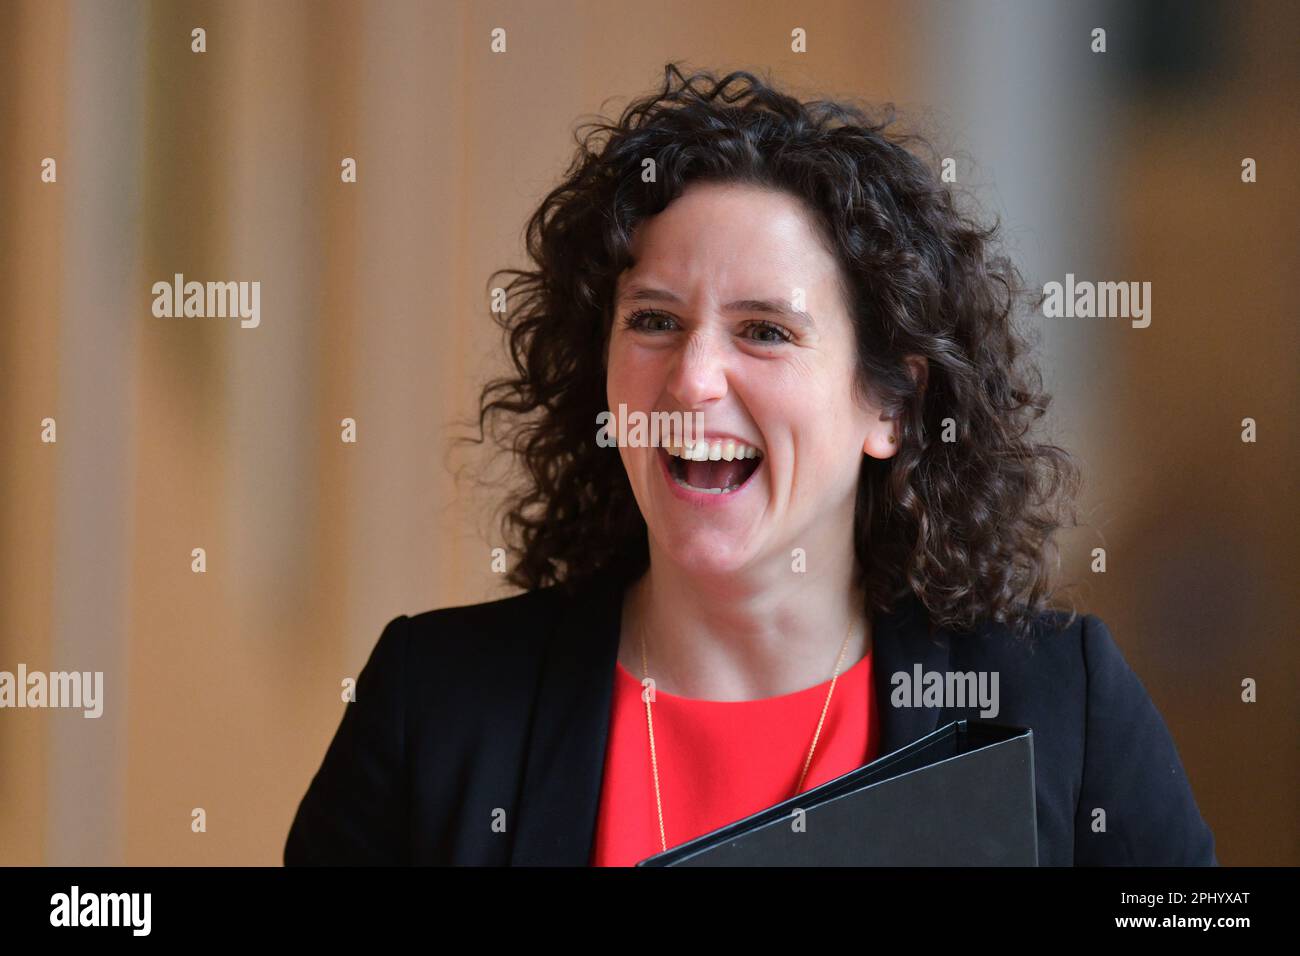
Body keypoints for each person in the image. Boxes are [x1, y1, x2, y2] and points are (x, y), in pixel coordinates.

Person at [284, 64, 1216, 866]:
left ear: (889, 405)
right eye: (653, 320)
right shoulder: (433, 706)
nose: (692, 379)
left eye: (764, 332)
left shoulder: (1061, 706)